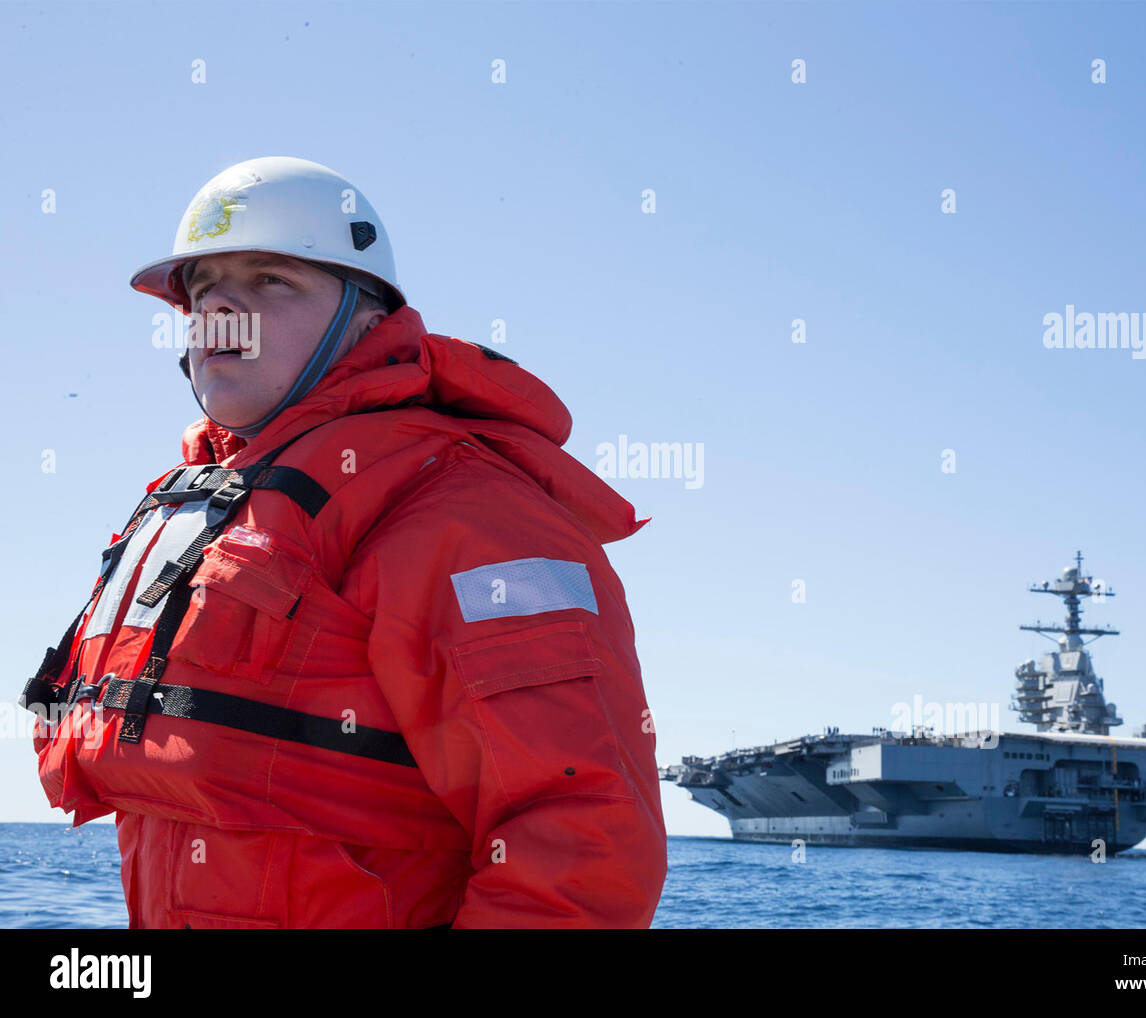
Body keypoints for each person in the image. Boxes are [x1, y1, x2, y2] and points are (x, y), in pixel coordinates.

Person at [21, 155, 667, 929]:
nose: (220, 309)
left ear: (368, 318)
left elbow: (584, 844)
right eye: (201, 291)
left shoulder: (464, 513)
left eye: (269, 281)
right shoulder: (217, 505)